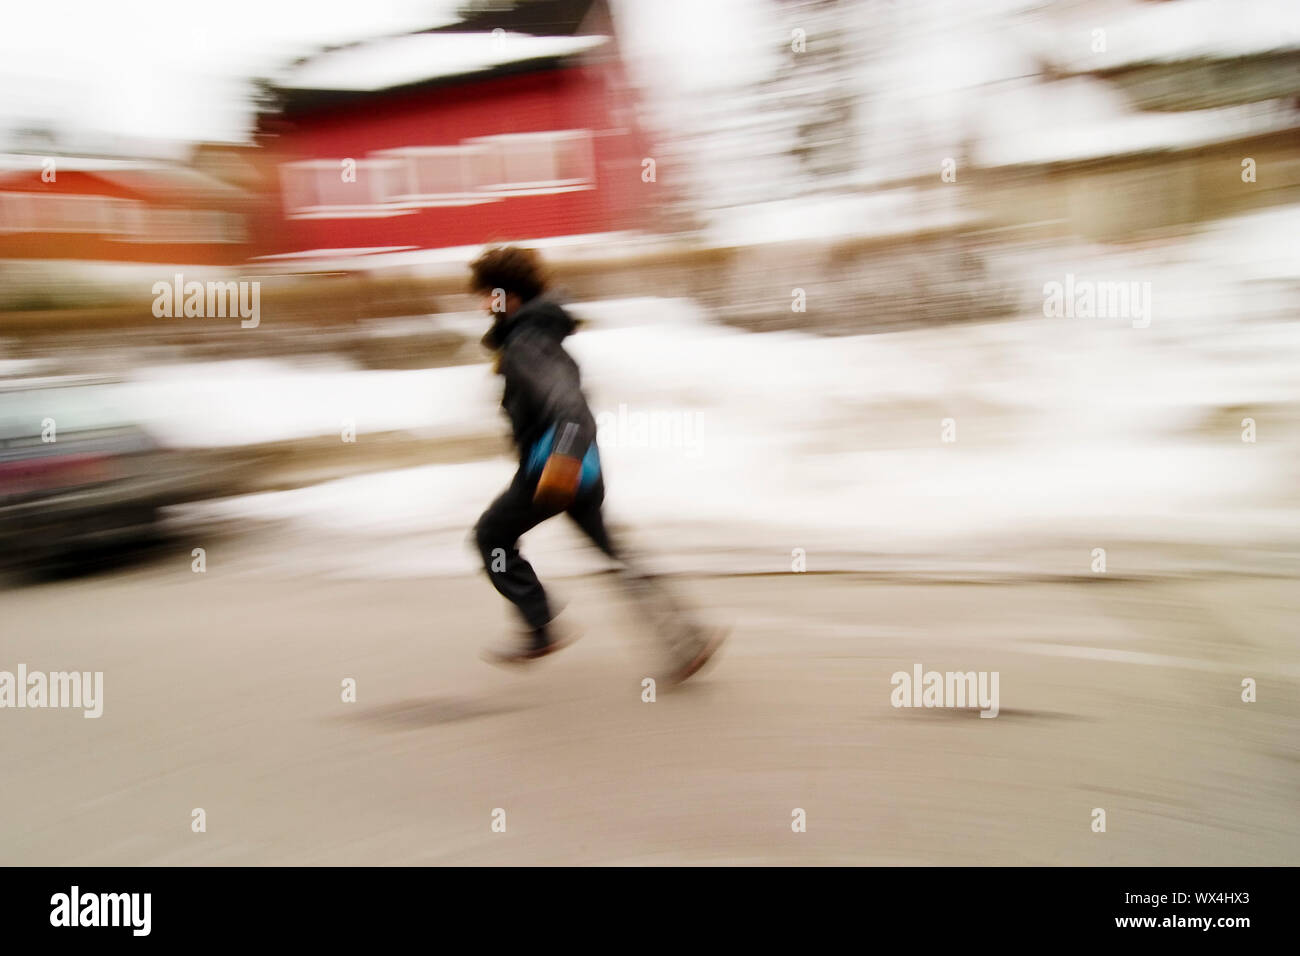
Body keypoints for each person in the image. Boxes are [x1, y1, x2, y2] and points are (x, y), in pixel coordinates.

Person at [468, 245, 722, 682]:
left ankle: (539, 624)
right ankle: (687, 638)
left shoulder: (526, 343)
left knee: (491, 538)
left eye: (487, 295)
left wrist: (562, 459)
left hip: (554, 469)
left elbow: (567, 405)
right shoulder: (537, 335)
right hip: (581, 465)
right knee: (615, 552)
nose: (481, 304)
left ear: (505, 296)